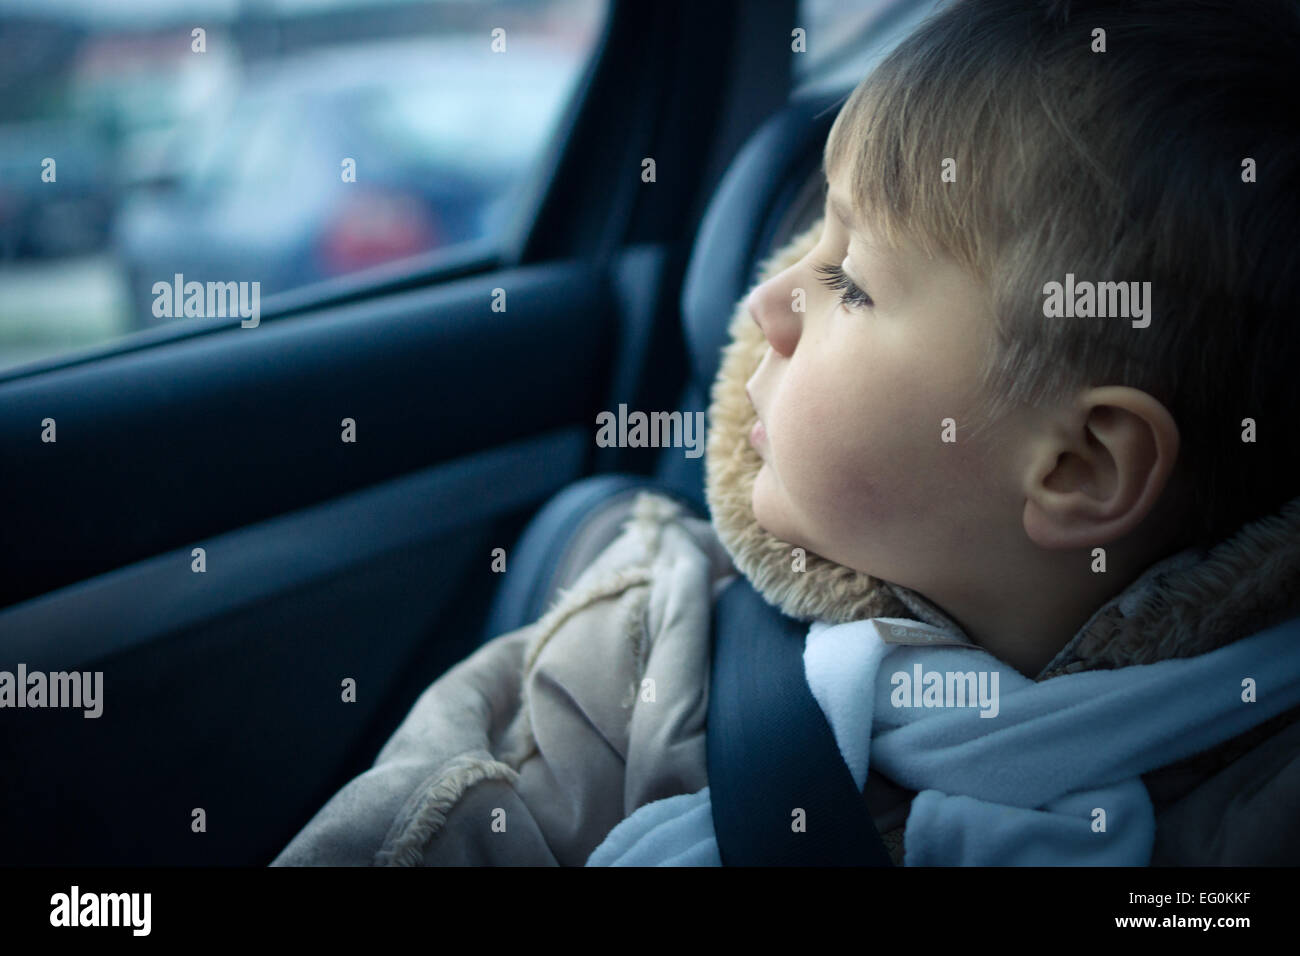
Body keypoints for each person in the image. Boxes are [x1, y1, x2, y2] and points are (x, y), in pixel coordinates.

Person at [272, 0, 1300, 866]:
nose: (766, 300)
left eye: (847, 281)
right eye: (816, 243)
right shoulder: (641, 644)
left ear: (1078, 465)